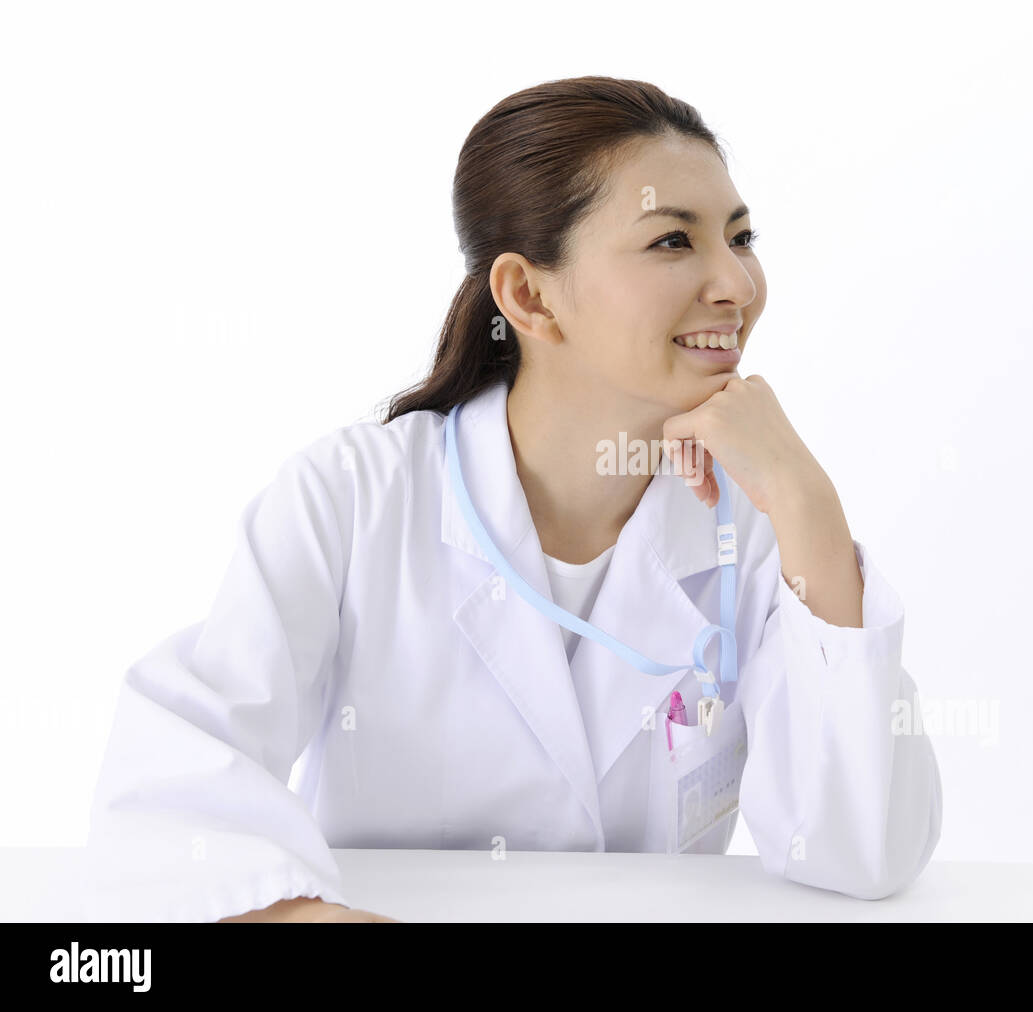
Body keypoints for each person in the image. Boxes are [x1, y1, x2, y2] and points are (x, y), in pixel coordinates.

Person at [84, 76, 942, 923]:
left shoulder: (752, 528)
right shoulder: (353, 499)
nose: (737, 285)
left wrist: (806, 501)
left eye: (741, 236)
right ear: (528, 296)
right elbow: (169, 776)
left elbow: (861, 855)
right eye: (673, 243)